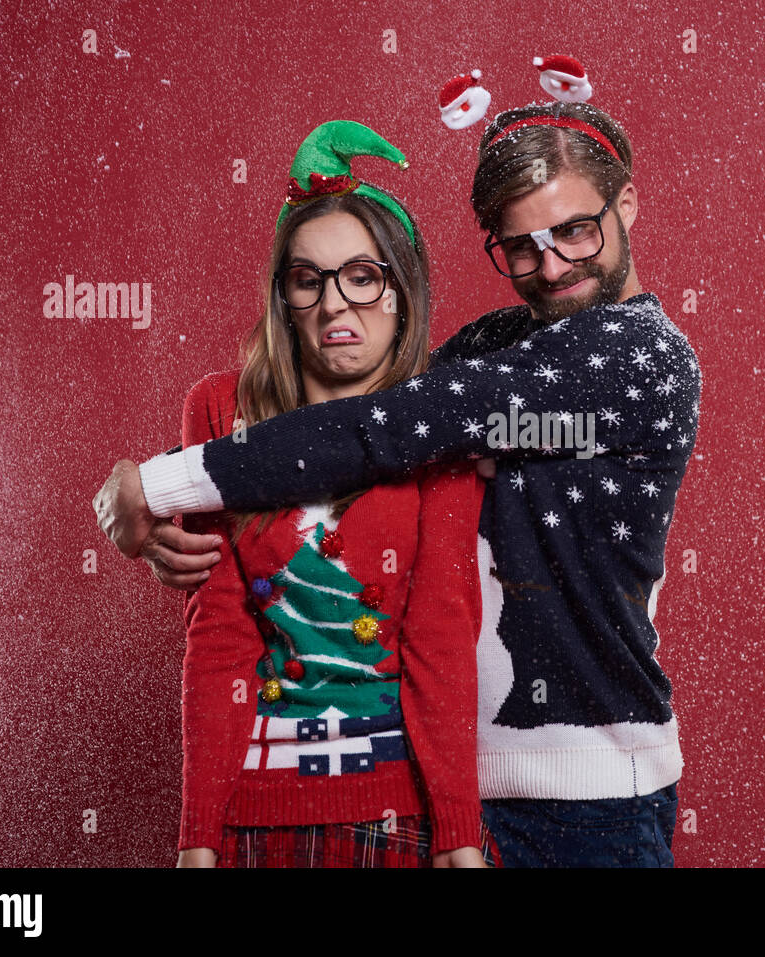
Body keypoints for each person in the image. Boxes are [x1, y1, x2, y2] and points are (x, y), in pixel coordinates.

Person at [96, 100, 702, 868]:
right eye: (521, 247)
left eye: (577, 231)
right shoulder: (497, 344)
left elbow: (377, 427)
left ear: (627, 205)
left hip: (584, 801)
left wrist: (152, 486)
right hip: (442, 786)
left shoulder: (638, 357)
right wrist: (170, 523)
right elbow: (340, 418)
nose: (552, 266)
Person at [173, 119, 493, 868]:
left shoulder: (438, 424)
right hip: (254, 820)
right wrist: (197, 838)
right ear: (285, 297)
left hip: (397, 816)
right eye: (307, 277)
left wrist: (460, 836)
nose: (335, 302)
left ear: (401, 290)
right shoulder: (220, 410)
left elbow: (441, 640)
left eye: (363, 273)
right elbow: (218, 636)